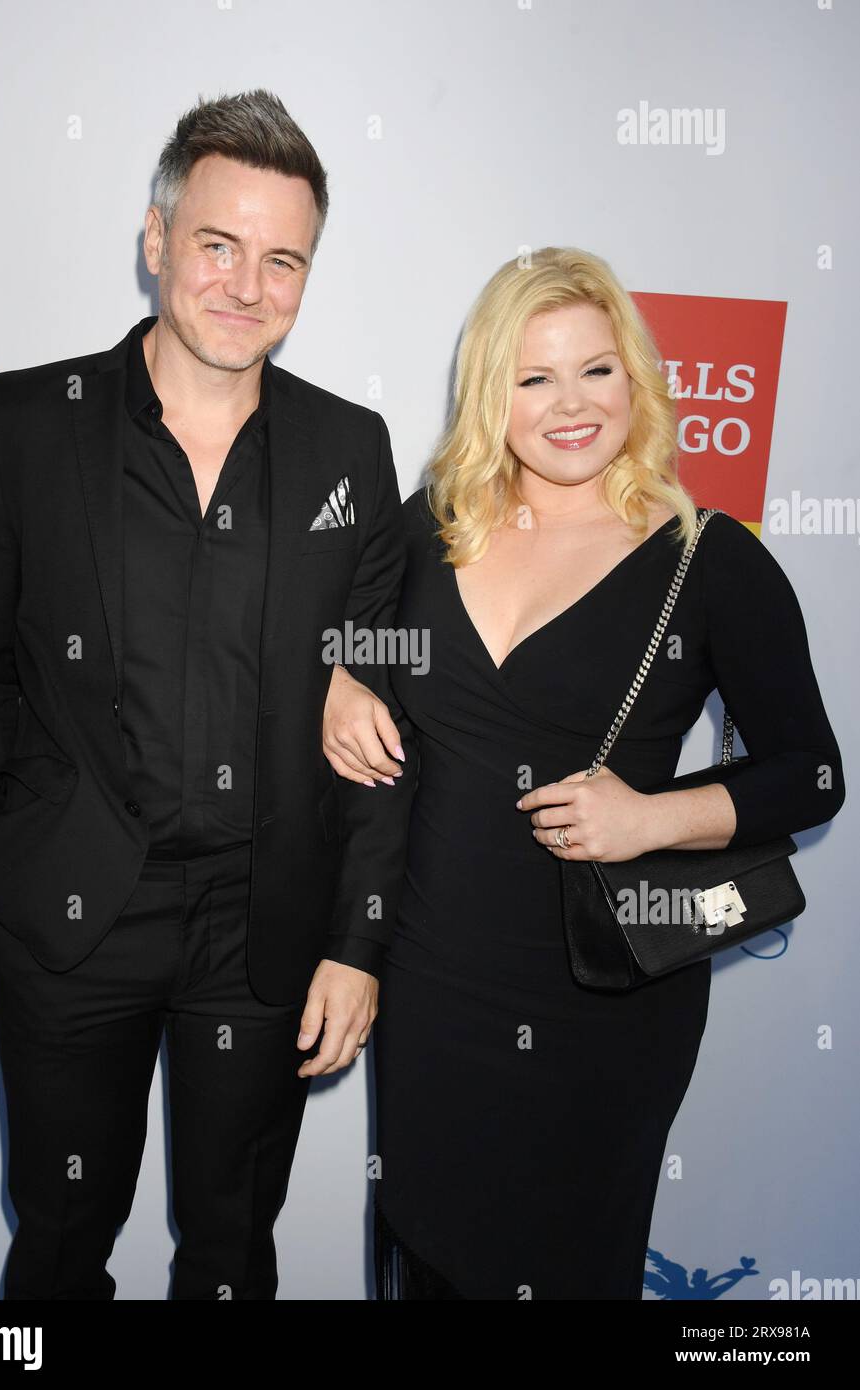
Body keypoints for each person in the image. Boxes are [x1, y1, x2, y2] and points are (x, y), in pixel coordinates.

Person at [0, 89, 416, 1300]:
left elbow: (383, 714)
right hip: (69, 918)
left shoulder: (351, 452)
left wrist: (356, 943)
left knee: (232, 1253)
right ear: (156, 240)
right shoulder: (29, 421)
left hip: (261, 931)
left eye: (282, 258)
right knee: (56, 1248)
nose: (248, 286)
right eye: (217, 244)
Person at [321, 246, 846, 1299]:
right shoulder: (435, 525)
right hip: (431, 978)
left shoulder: (710, 558)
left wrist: (651, 818)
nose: (571, 405)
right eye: (535, 377)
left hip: (598, 999)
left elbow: (813, 775)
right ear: (492, 394)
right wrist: (337, 675)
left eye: (596, 370)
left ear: (637, 378)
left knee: (561, 1265)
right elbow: (369, 666)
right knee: (427, 1252)